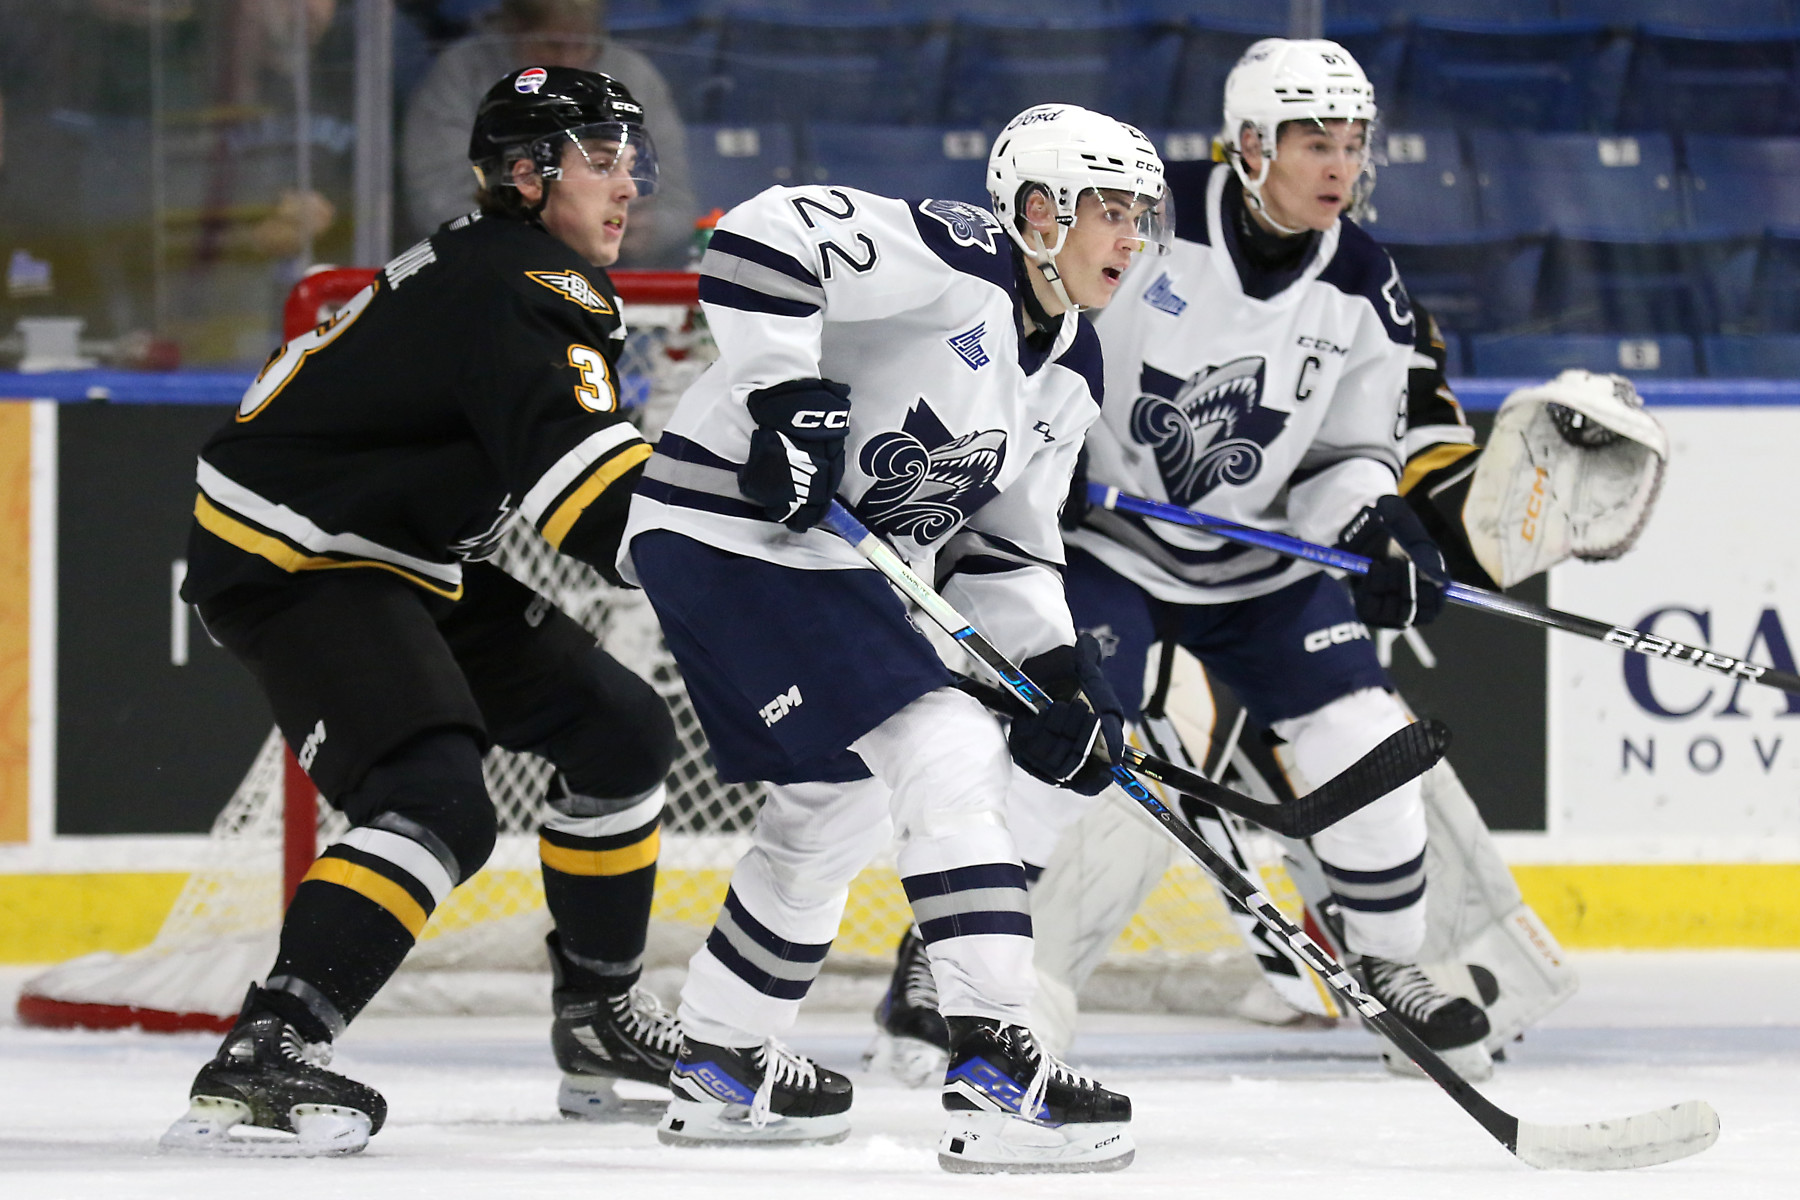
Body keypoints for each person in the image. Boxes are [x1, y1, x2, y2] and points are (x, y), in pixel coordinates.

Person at [868, 38, 1497, 1085]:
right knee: (1074, 738)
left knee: (1366, 734)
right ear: (1251, 145)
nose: (1338, 166)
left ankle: (1390, 969)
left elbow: (1348, 452)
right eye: (1312, 142)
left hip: (1260, 572)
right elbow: (1033, 323)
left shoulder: (1363, 281)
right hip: (1112, 543)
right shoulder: (1144, 221)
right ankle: (942, 959)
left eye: (1352, 145)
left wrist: (1376, 525)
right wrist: (1040, 446)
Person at [618, 104, 1168, 1172]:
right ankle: (1001, 1064)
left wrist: (1057, 676)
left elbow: (1007, 546)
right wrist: (785, 394)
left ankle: (725, 1059)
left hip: (816, 567)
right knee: (946, 745)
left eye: (1142, 216)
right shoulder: (954, 255)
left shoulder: (1071, 369)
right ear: (1042, 212)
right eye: (1112, 211)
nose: (1131, 238)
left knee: (835, 805)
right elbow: (759, 233)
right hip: (735, 531)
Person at [162, 67, 682, 1156]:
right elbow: (592, 511)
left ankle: (596, 1022)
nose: (627, 180)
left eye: (630, 155)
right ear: (528, 176)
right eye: (600, 156)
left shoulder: (500, 269)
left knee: (621, 730)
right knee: (435, 802)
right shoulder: (524, 285)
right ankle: (270, 1046)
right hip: (299, 556)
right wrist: (746, 554)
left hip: (394, 550)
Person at [402, 0, 696, 266]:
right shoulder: (463, 76)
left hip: (616, 275)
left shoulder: (633, 78)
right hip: (490, 272)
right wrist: (545, 234)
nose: (568, 62)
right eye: (552, 45)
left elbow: (677, 205)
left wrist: (648, 231)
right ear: (513, 31)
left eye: (583, 45)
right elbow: (436, 202)